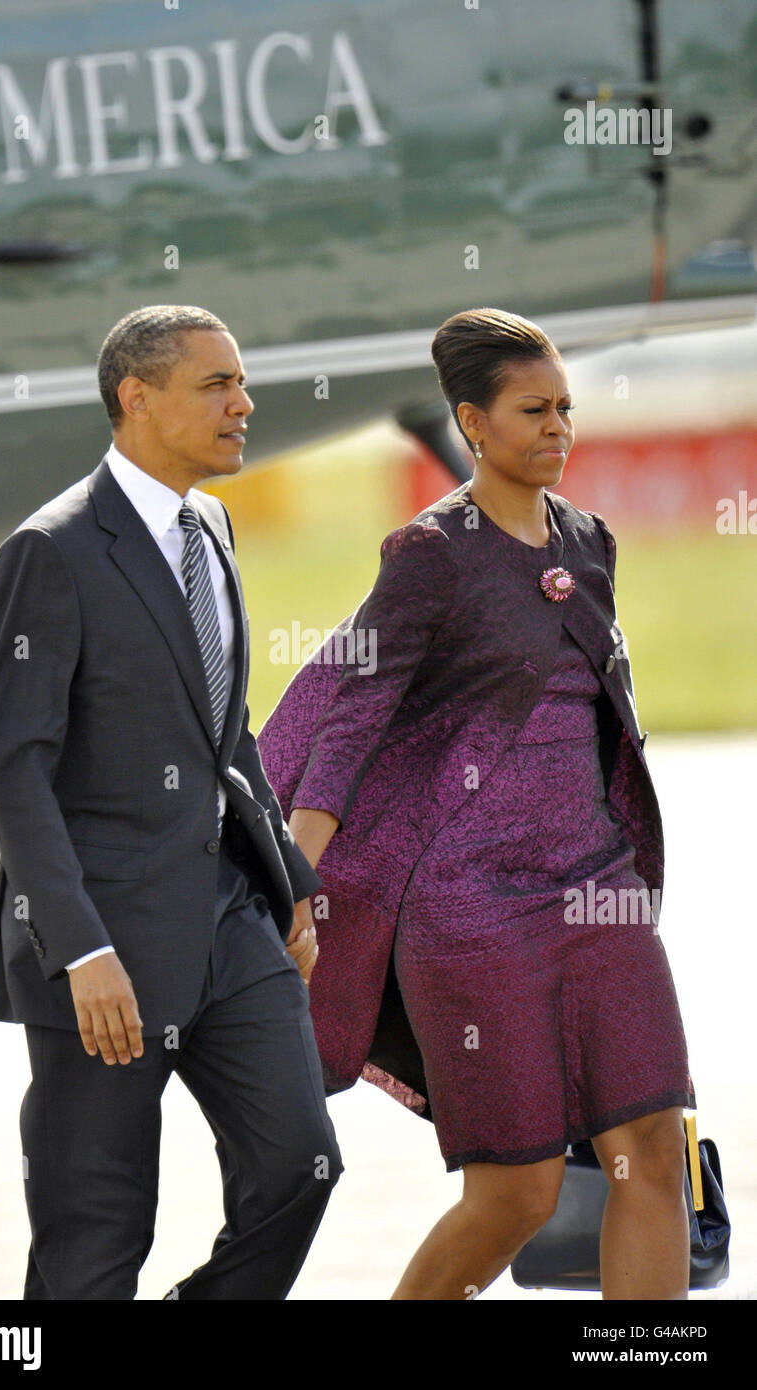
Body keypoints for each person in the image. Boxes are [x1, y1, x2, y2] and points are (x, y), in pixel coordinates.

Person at [257, 307, 696, 1301]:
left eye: (566, 408)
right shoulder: (429, 555)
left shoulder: (590, 543)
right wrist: (294, 874)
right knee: (521, 1193)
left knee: (654, 1151)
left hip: (597, 891)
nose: (558, 427)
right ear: (472, 423)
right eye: (532, 410)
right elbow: (355, 719)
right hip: (468, 908)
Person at [0, 304, 341, 1300]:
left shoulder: (210, 525)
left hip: (228, 923)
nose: (245, 403)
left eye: (243, 381)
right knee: (94, 1246)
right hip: (105, 950)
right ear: (137, 398)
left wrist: (291, 877)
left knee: (301, 1165)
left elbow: (226, 737)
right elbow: (15, 768)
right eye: (217, 385)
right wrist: (81, 948)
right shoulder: (50, 552)